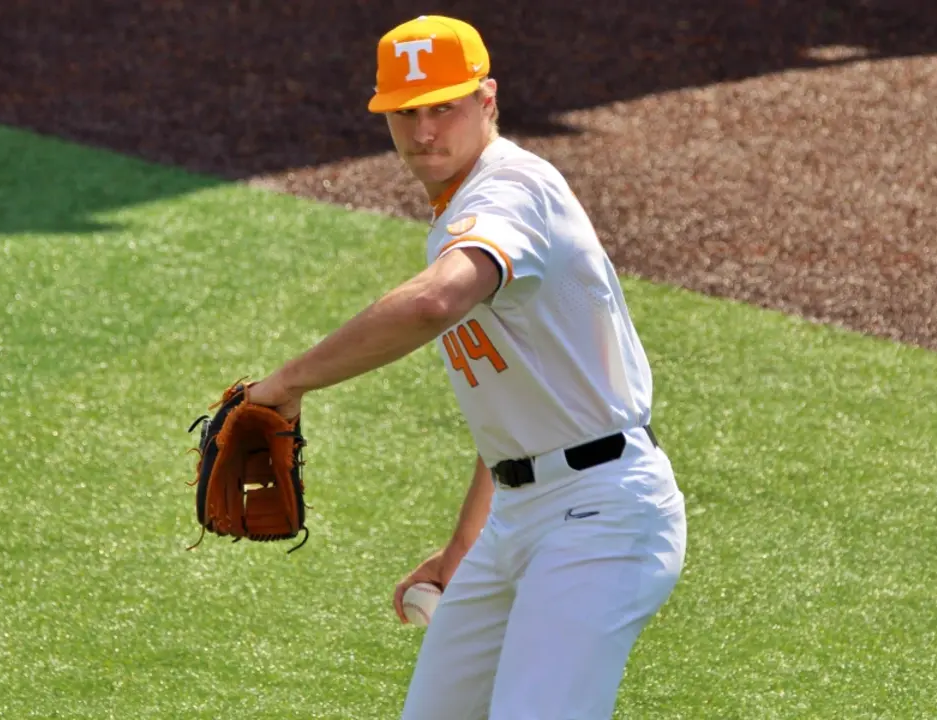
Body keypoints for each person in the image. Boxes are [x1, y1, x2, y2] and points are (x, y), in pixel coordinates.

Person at [248, 14, 687, 719]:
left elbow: (436, 301)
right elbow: (522, 410)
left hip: (602, 517)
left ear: (487, 100)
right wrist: (463, 546)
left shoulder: (510, 190)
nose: (423, 132)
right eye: (406, 113)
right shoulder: (461, 206)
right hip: (516, 519)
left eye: (443, 108)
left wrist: (288, 382)